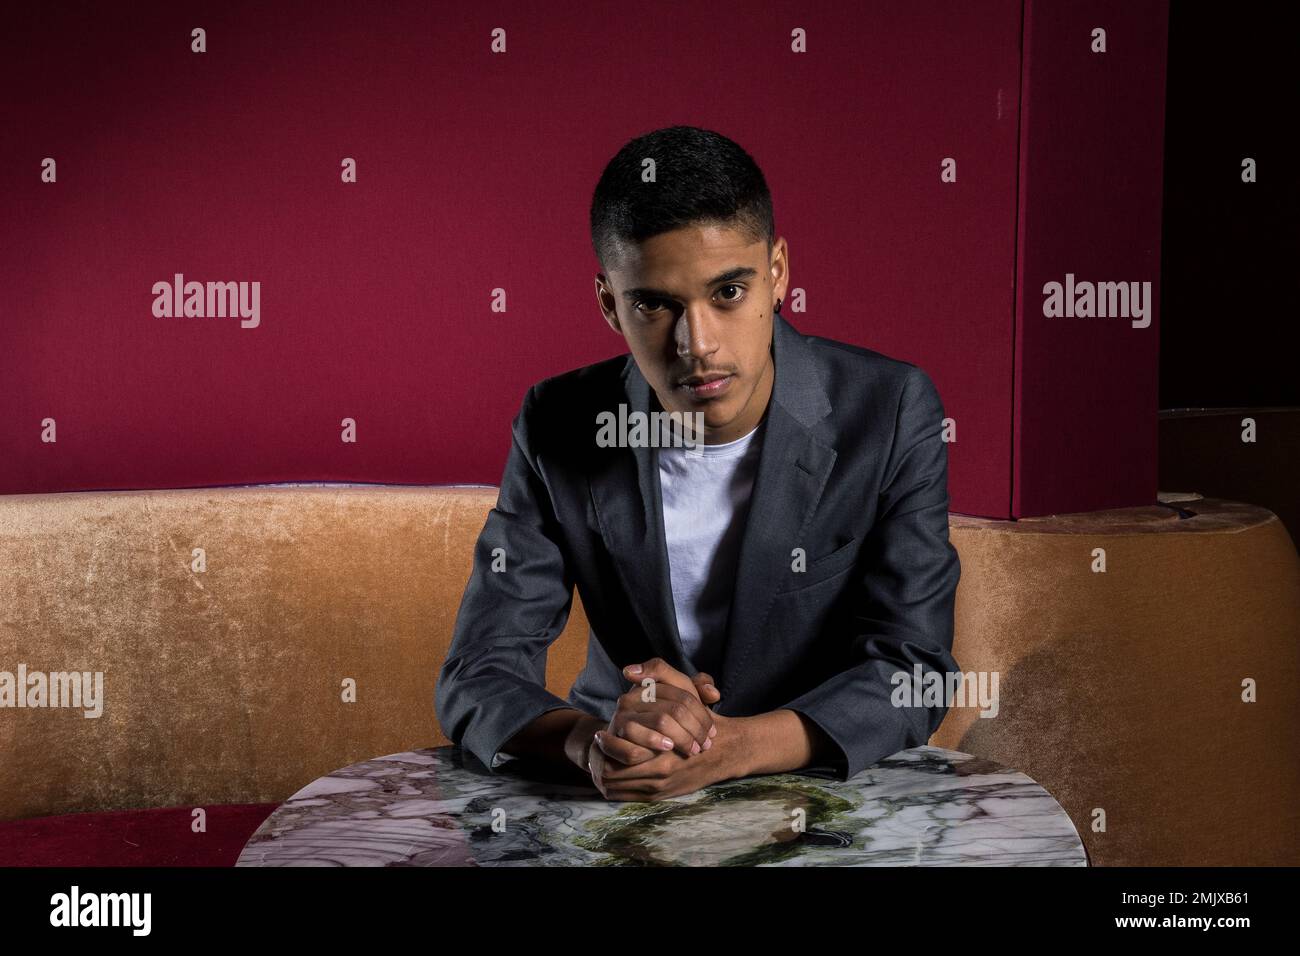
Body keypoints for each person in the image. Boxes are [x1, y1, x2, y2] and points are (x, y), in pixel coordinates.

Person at [436, 125, 960, 801]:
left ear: (777, 274)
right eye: (654, 304)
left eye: (729, 293)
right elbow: (476, 671)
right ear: (609, 305)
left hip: (819, 793)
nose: (697, 343)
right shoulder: (558, 421)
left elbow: (914, 668)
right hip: (618, 787)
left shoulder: (887, 411)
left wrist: (731, 747)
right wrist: (589, 742)